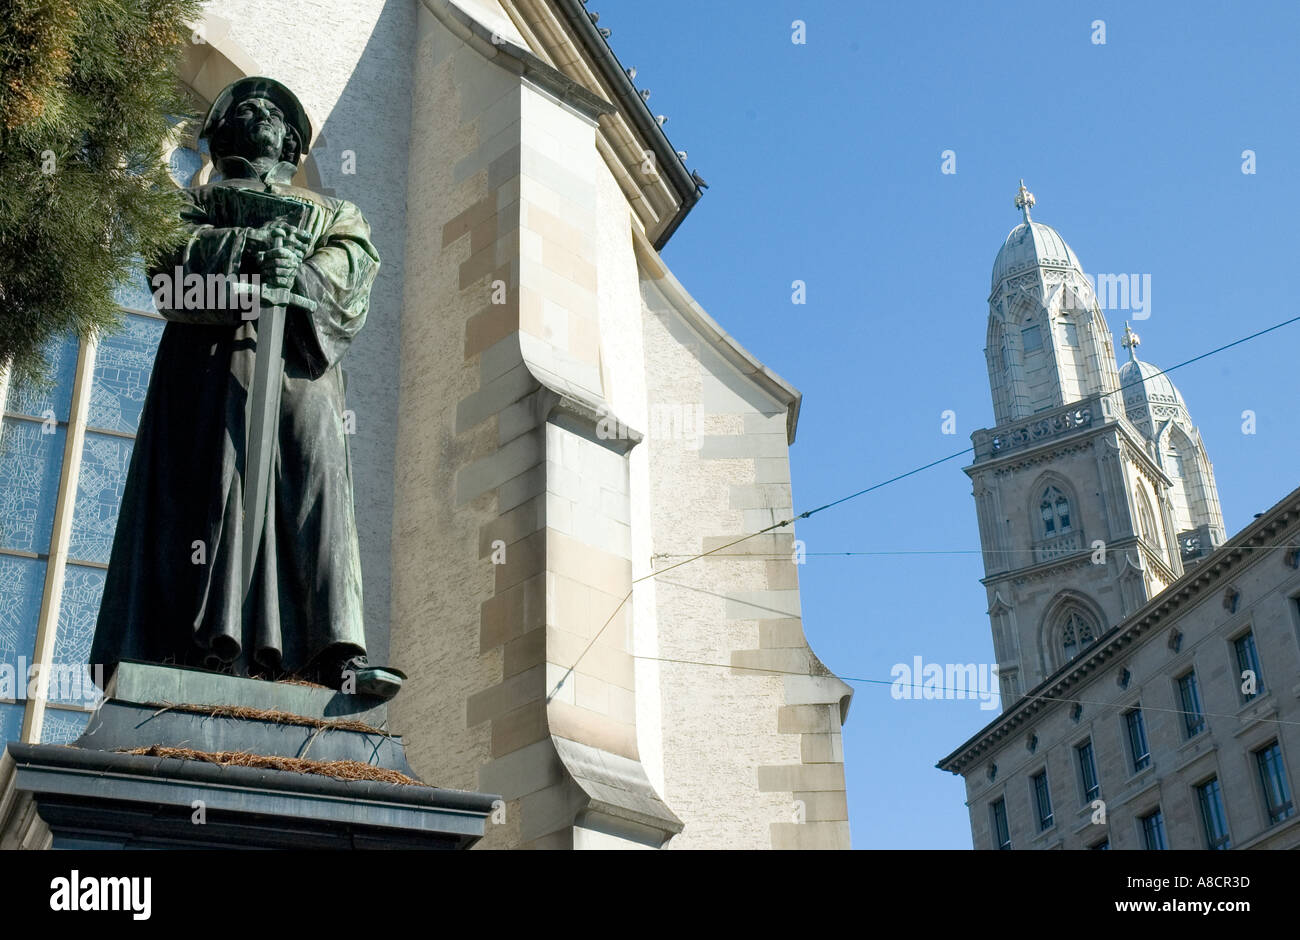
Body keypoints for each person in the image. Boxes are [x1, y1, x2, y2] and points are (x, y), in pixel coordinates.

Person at [90, 77, 403, 699]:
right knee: (206, 495)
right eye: (247, 108)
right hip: (208, 371)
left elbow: (354, 264)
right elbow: (168, 263)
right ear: (223, 135)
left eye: (275, 111)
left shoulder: (335, 212)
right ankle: (195, 647)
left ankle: (333, 658)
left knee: (316, 494)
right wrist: (249, 256)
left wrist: (304, 274)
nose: (261, 113)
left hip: (300, 373)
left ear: (290, 141)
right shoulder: (198, 203)